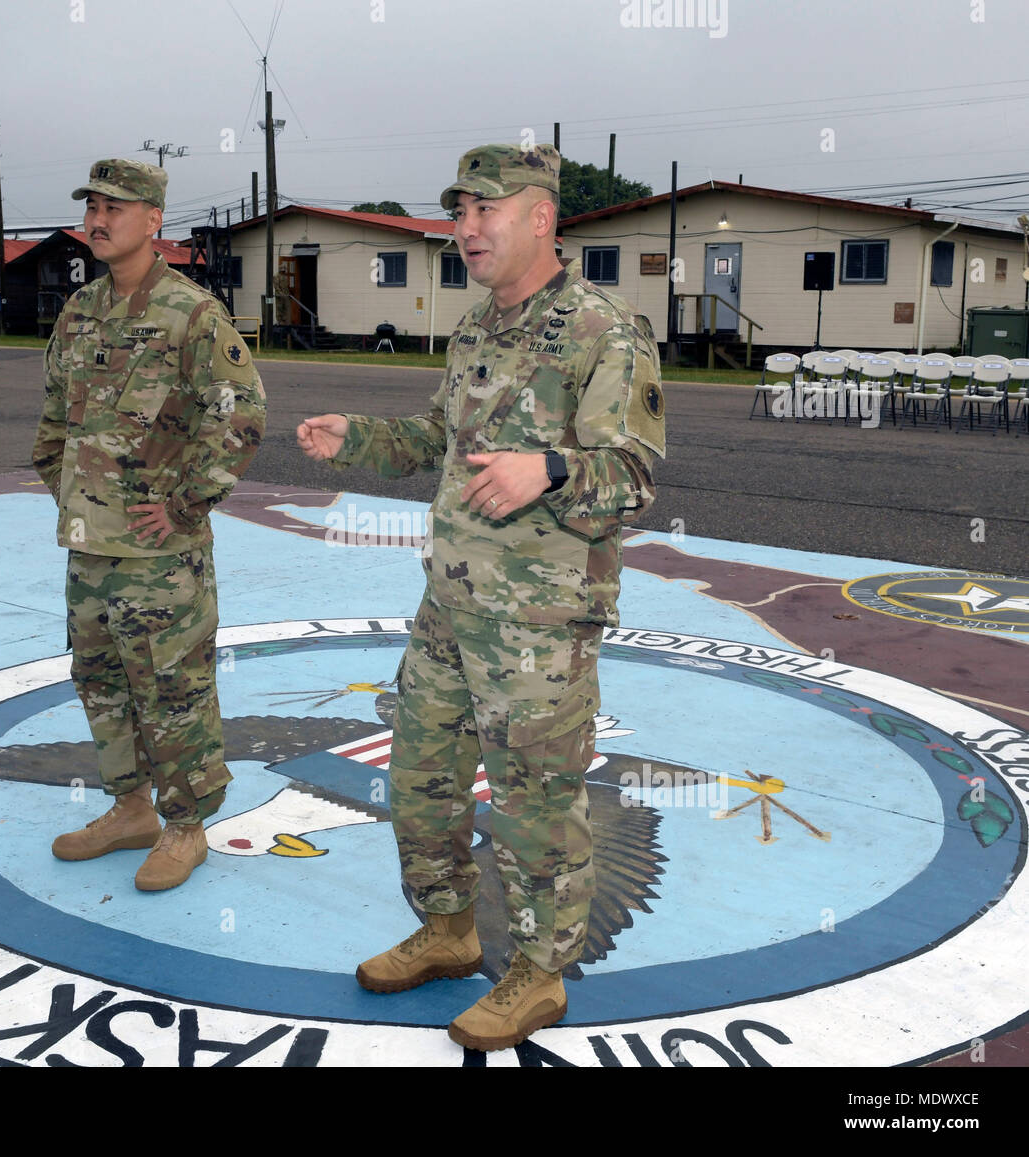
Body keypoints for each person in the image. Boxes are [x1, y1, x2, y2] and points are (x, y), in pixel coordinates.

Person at [296, 143, 666, 1051]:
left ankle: (539, 973)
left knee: (536, 800)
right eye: (459, 212)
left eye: (483, 211)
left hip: (538, 624)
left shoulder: (603, 330)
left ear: (541, 217)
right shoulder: (475, 330)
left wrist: (544, 469)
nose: (464, 229)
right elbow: (436, 435)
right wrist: (359, 437)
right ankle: (450, 929)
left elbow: (632, 475)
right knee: (418, 783)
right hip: (450, 609)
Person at [33, 158, 266, 892]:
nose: (98, 219)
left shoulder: (192, 314)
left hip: (162, 558)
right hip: (90, 548)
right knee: (100, 682)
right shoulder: (79, 312)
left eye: (116, 207)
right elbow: (52, 424)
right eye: (93, 205)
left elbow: (244, 417)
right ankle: (130, 806)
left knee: (173, 690)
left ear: (154, 219)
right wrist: (73, 492)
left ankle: (187, 825)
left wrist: (183, 503)